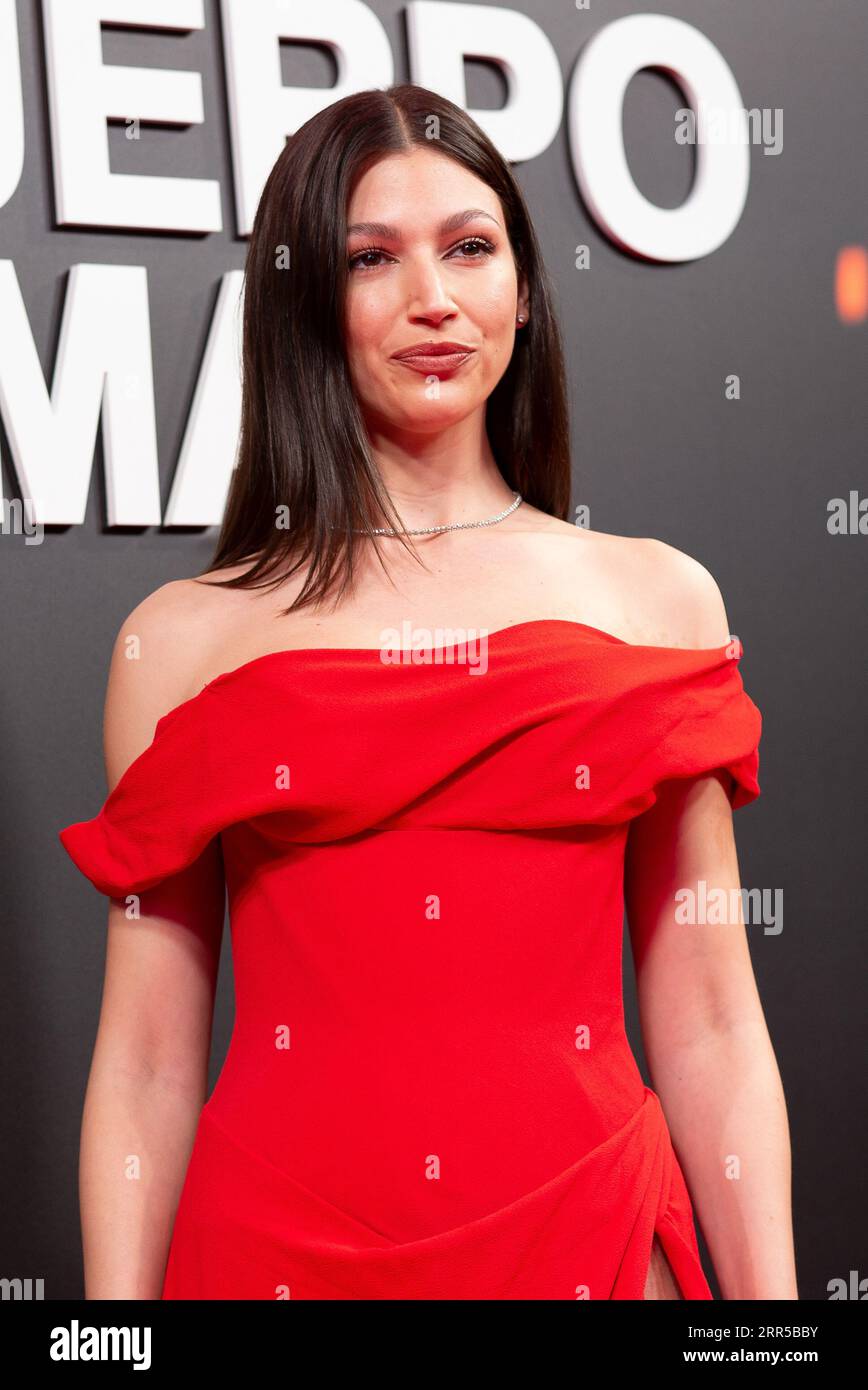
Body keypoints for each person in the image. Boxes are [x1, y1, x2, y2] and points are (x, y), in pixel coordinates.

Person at [59, 84, 797, 1301]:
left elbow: (713, 1019)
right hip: (276, 1258)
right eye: (371, 258)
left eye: (469, 247)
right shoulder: (181, 646)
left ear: (521, 286)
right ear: (306, 300)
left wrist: (772, 1328)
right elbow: (143, 1061)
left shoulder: (657, 602)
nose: (433, 299)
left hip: (590, 1245)